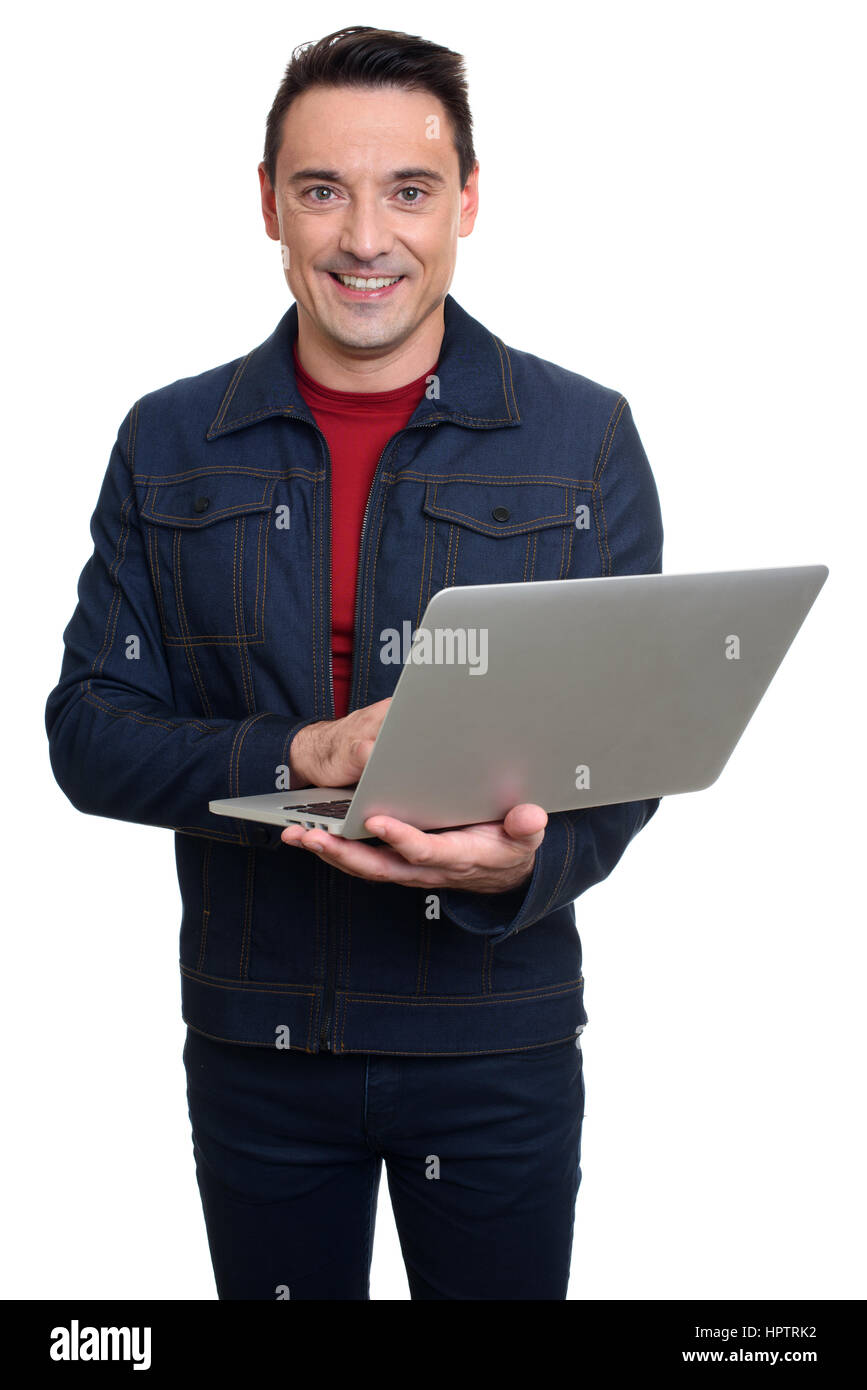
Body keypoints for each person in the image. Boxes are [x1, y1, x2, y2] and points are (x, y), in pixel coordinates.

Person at [45, 25, 664, 1301]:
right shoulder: (167, 442)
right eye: (324, 190)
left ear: (470, 203)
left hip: (494, 1039)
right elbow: (89, 732)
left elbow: (634, 747)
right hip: (260, 1044)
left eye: (410, 190)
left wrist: (529, 861)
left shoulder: (585, 438)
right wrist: (304, 753)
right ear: (268, 203)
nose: (365, 237)